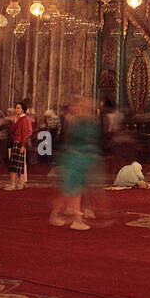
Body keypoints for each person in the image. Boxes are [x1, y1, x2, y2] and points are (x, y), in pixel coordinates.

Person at [54, 97, 100, 230]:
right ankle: (76, 219)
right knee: (72, 191)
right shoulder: (77, 122)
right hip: (75, 158)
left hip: (81, 158)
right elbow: (73, 141)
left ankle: (62, 216)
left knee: (72, 191)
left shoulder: (85, 121)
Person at [5, 102, 32, 191]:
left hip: (19, 142)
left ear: (22, 109)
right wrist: (15, 122)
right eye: (16, 108)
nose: (16, 109)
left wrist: (23, 145)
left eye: (18, 108)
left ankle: (14, 185)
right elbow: (12, 131)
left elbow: (25, 133)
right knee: (18, 164)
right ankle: (19, 184)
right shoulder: (19, 119)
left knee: (15, 165)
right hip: (16, 141)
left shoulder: (25, 119)